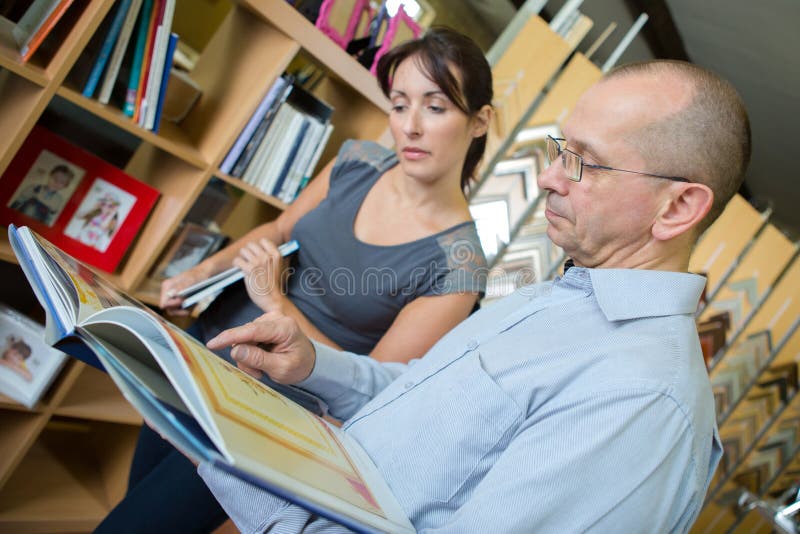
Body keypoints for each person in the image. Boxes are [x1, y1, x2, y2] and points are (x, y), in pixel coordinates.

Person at [197, 59, 751, 532]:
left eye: (582, 161)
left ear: (677, 208)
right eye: (560, 148)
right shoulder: (556, 297)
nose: (549, 178)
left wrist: (262, 486)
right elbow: (419, 398)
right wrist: (315, 365)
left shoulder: (642, 397)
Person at [96, 27, 493, 533]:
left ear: (480, 120)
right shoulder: (357, 162)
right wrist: (202, 272)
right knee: (138, 494)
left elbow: (371, 386)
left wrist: (278, 304)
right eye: (399, 104)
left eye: (435, 108)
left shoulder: (459, 267)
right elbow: (278, 229)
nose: (410, 126)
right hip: (202, 346)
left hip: (261, 413)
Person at [9, 164, 75, 226]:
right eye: (55, 178)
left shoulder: (58, 199)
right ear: (50, 176)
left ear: (65, 186)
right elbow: (18, 202)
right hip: (20, 217)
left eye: (62, 182)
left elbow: (50, 216)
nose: (56, 182)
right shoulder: (34, 188)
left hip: (37, 223)